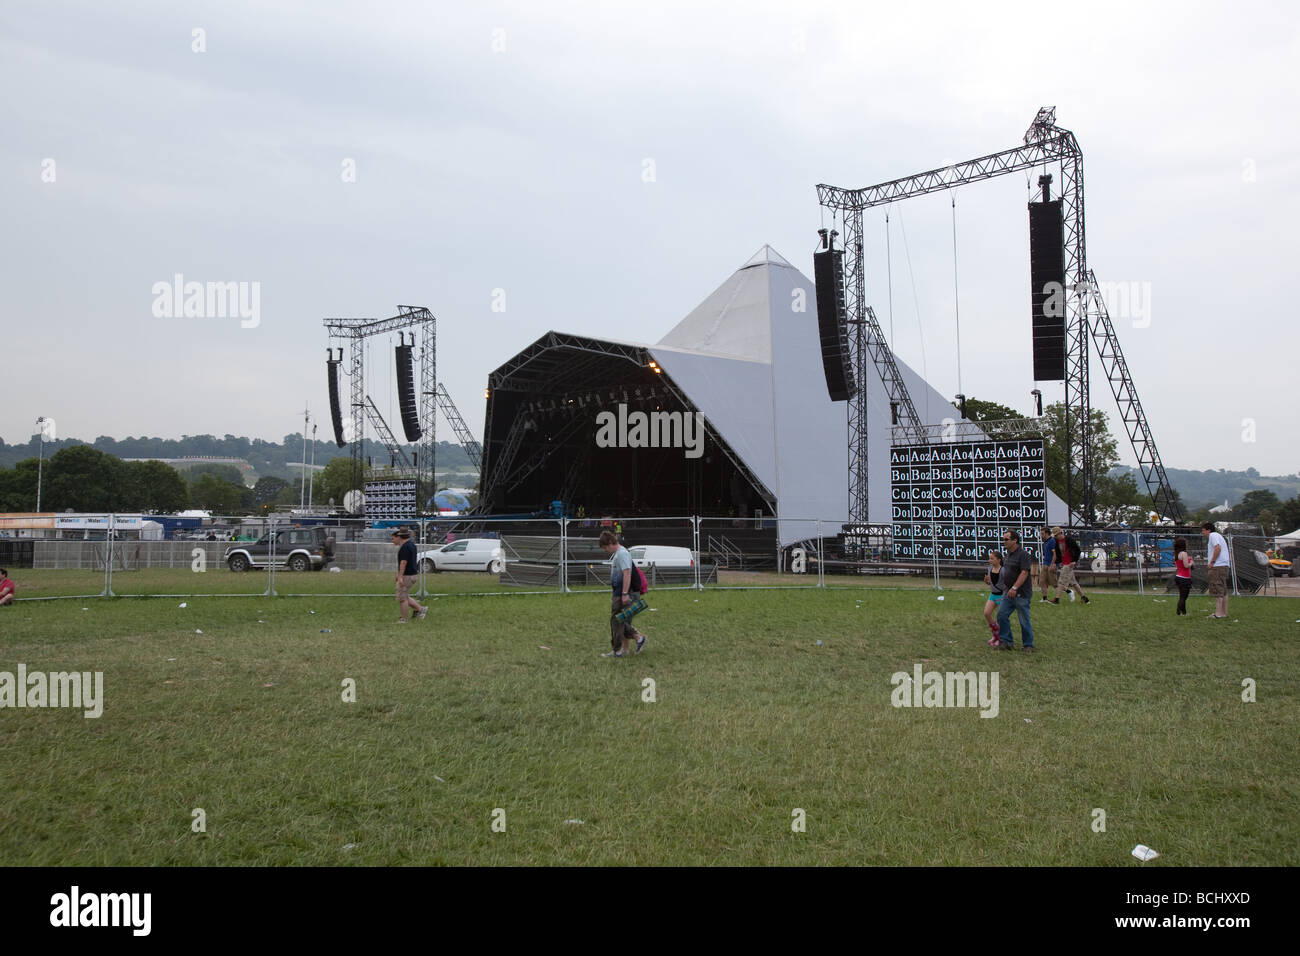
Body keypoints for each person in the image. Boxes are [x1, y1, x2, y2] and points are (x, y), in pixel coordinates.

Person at [599, 530, 645, 658]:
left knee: (617, 621)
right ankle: (626, 647)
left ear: (609, 543)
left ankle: (620, 649)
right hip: (620, 592)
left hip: (624, 593)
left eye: (604, 547)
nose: (605, 550)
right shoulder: (619, 553)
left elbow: (627, 573)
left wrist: (624, 594)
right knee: (621, 620)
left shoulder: (622, 554)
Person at [994, 530, 1035, 652]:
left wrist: (1015, 588)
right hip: (1009, 592)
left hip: (1021, 593)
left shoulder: (1023, 555)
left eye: (1006, 539)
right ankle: (1006, 642)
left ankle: (1028, 645)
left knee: (1024, 619)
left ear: (1014, 540)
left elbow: (1024, 573)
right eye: (1003, 539)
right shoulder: (1009, 554)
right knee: (1001, 615)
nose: (1003, 541)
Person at [392, 529, 427, 624]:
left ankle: (403, 619)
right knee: (404, 595)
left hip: (407, 575)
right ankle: (420, 609)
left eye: (393, 538)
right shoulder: (411, 545)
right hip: (413, 574)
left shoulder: (404, 547)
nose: (393, 540)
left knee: (402, 598)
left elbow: (403, 563)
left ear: (399, 537)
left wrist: (400, 577)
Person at [1050, 526, 1091, 605]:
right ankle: (1085, 599)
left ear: (1060, 533)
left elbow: (1078, 550)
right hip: (1064, 563)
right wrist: (1055, 563)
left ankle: (1057, 599)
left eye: (1056, 535)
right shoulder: (1057, 542)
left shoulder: (1069, 540)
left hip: (1069, 563)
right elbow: (1058, 554)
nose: (1055, 537)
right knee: (1074, 583)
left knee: (1061, 582)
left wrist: (1074, 561)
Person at [1202, 521, 1230, 618]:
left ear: (1209, 530)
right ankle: (1224, 613)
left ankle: (1218, 614)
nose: (1203, 533)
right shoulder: (1218, 535)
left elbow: (1217, 548)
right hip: (1224, 566)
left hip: (1217, 567)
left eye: (1203, 531)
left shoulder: (1213, 535)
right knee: (1223, 590)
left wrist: (1212, 562)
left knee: (1217, 590)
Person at [982, 550, 1005, 646]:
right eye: (989, 558)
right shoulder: (990, 569)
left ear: (999, 560)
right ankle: (995, 634)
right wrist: (987, 581)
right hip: (993, 594)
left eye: (992, 558)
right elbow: (990, 583)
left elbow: (1006, 583)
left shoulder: (1003, 570)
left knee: (1001, 617)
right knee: (987, 613)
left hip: (1001, 595)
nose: (990, 560)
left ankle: (1002, 637)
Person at [1037, 526, 1060, 602]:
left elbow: (1055, 554)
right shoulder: (1045, 542)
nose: (1041, 535)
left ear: (1047, 533)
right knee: (1042, 581)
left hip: (1051, 564)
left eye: (1042, 533)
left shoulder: (1052, 541)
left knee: (1054, 583)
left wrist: (1053, 564)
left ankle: (1068, 591)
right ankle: (1044, 598)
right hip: (1045, 563)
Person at [1173, 537, 1193, 616]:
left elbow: (1178, 565)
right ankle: (1178, 611)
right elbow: (1186, 565)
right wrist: (1191, 563)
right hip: (1184, 577)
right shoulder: (1184, 553)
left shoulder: (1176, 554)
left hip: (1178, 576)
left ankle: (1183, 612)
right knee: (1184, 596)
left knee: (1182, 595)